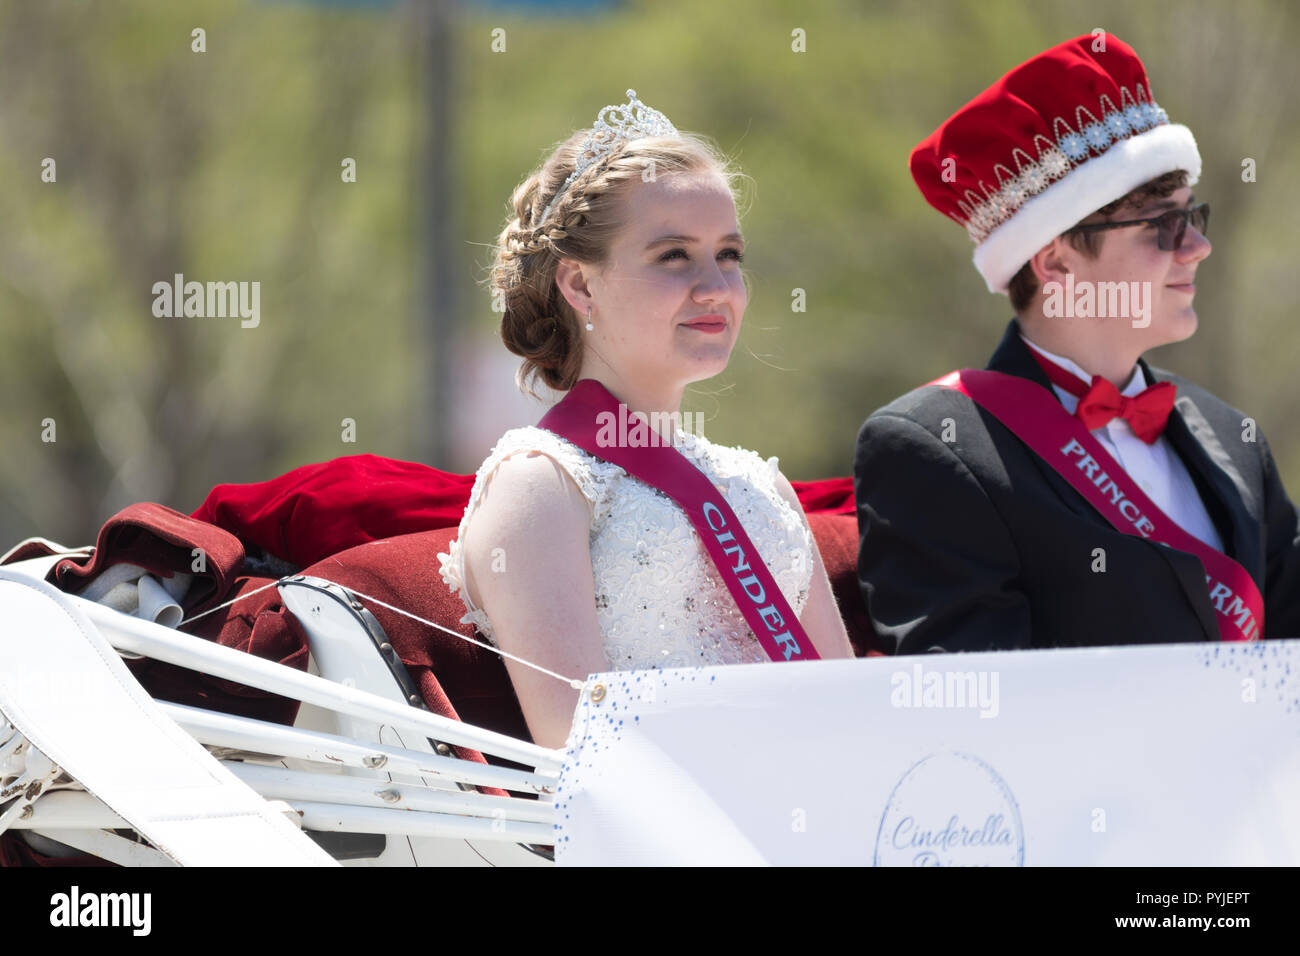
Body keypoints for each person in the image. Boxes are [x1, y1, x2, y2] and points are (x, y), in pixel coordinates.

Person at [854, 34, 1300, 654]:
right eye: (1162, 224)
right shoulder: (933, 446)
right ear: (1056, 262)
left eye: (1191, 216)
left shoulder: (1232, 437)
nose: (1196, 246)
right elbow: (972, 714)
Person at [439, 91, 853, 749]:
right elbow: (587, 756)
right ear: (580, 287)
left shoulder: (760, 486)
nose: (716, 287)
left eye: (730, 255)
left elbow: (852, 719)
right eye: (673, 256)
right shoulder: (541, 486)